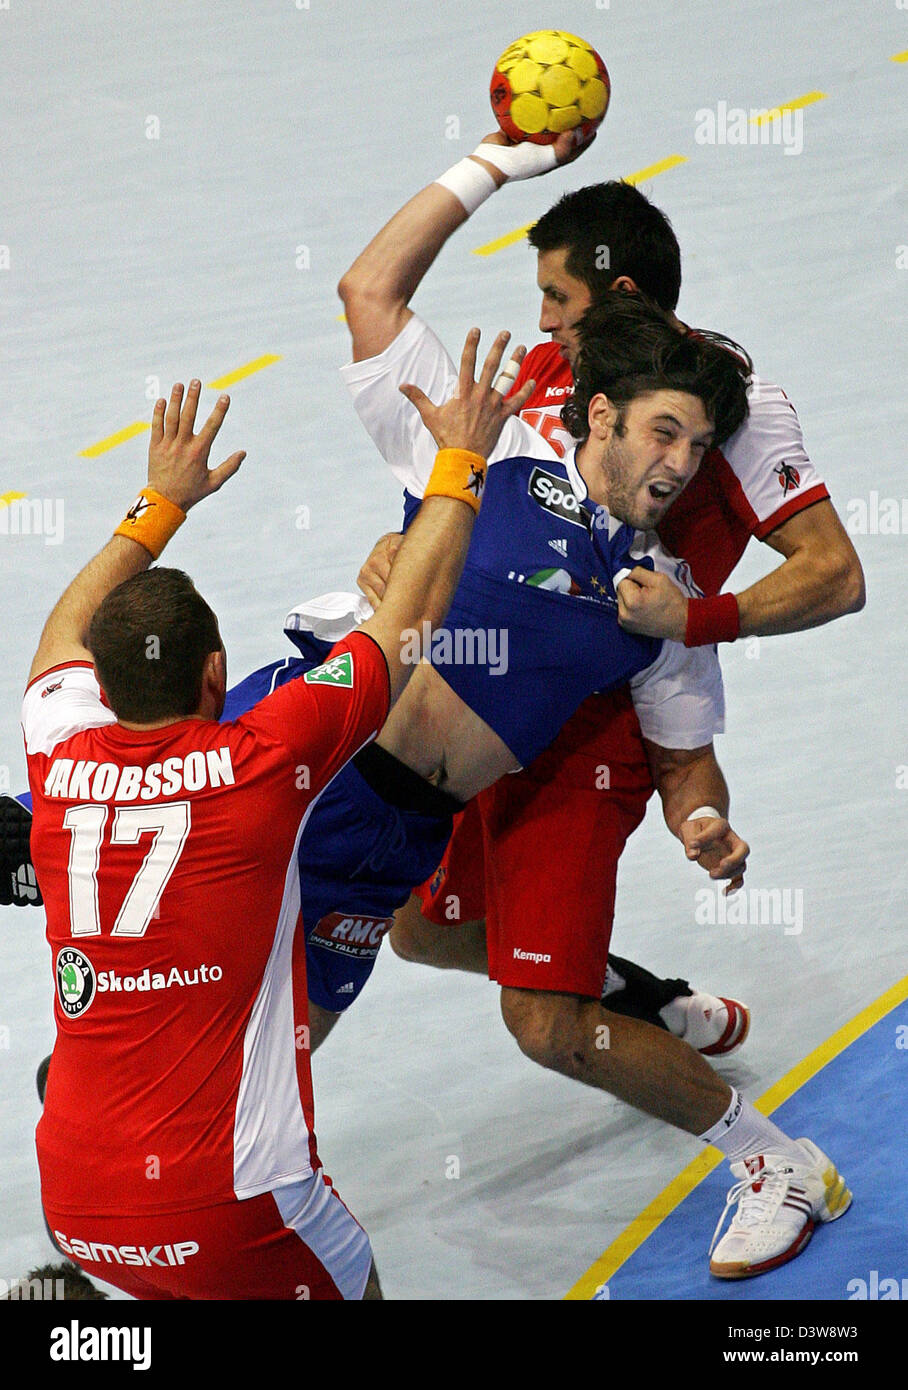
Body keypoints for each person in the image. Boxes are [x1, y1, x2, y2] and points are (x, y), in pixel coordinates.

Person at [226, 294, 850, 1279]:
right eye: (663, 431)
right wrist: (497, 158)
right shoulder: (505, 456)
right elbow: (369, 294)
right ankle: (635, 993)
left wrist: (700, 820)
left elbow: (684, 752)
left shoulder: (656, 601)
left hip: (393, 828)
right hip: (310, 745)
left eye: (695, 445)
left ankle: (775, 1158)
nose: (680, 463)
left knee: (492, 1028)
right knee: (381, 938)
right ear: (599, 415)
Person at [338, 129, 864, 1057]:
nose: (540, 321)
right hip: (487, 680)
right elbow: (476, 475)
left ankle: (767, 1157)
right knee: (422, 929)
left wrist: (694, 619)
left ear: (619, 295)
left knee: (544, 1021)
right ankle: (639, 995)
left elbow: (835, 573)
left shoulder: (734, 406)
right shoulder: (558, 376)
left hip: (609, 706)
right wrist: (412, 544)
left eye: (556, 297)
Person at [23, 340, 528, 1302]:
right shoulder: (262, 756)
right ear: (217, 676)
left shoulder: (58, 752)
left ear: (98, 686)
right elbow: (407, 619)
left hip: (74, 1197)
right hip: (236, 1194)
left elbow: (60, 631)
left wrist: (158, 505)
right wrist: (462, 459)